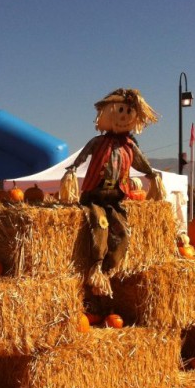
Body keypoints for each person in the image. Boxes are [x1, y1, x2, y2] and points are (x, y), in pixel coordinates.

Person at [65, 88, 162, 297]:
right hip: (94, 196)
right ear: (108, 112)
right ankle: (96, 266)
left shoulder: (130, 146)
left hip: (116, 198)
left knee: (123, 231)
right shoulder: (98, 142)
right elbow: (83, 156)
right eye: (120, 110)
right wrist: (72, 169)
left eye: (129, 112)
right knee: (100, 225)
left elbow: (141, 163)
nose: (124, 116)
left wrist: (151, 174)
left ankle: (108, 269)